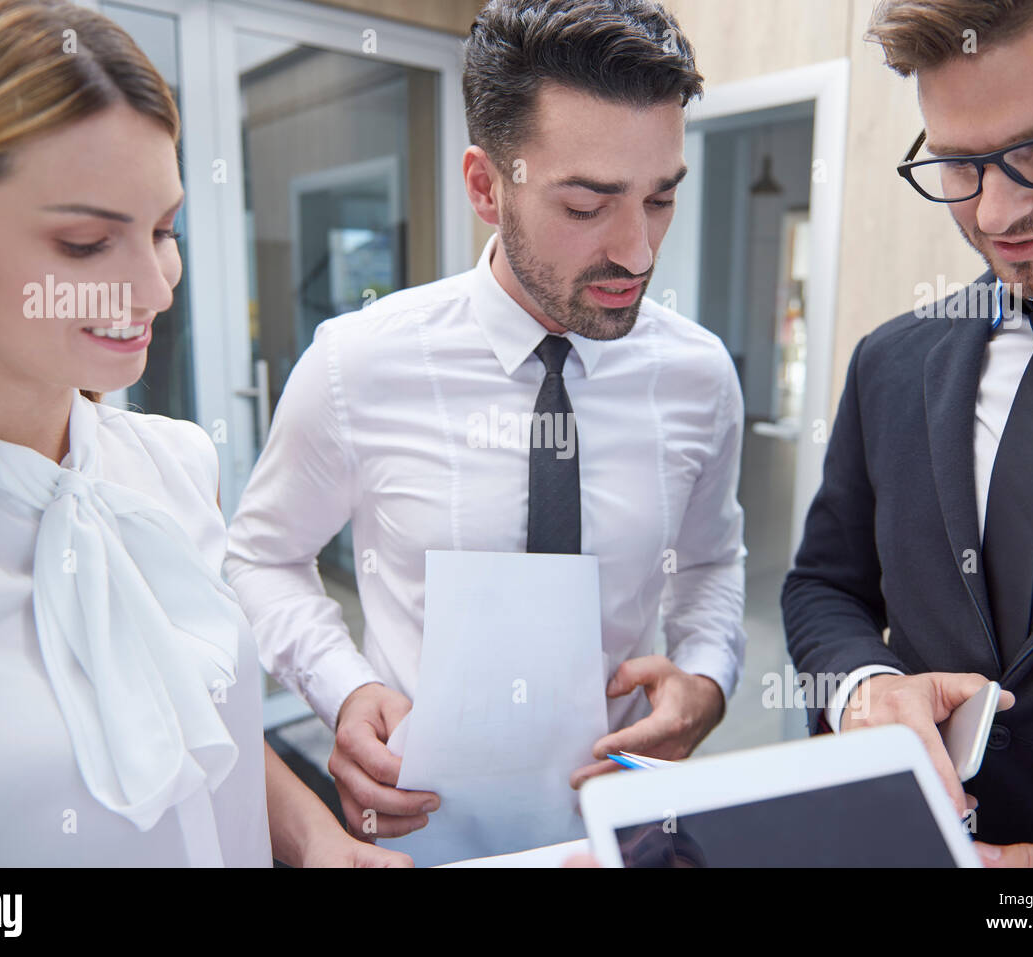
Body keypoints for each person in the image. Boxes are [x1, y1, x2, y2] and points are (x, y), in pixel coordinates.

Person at [0, 0, 407, 867]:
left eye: (165, 231)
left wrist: (313, 838)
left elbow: (184, 726)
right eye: (86, 243)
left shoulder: (176, 465)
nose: (156, 290)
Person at [225, 0, 747, 845]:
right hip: (414, 834)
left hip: (631, 828)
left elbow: (713, 560)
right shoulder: (356, 364)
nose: (639, 252)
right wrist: (345, 689)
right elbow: (261, 556)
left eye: (660, 199)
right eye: (588, 205)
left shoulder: (698, 375)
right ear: (485, 186)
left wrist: (706, 678)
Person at [783, 0, 1033, 866]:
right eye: (958, 164)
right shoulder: (890, 363)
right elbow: (822, 589)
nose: (996, 215)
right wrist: (865, 690)